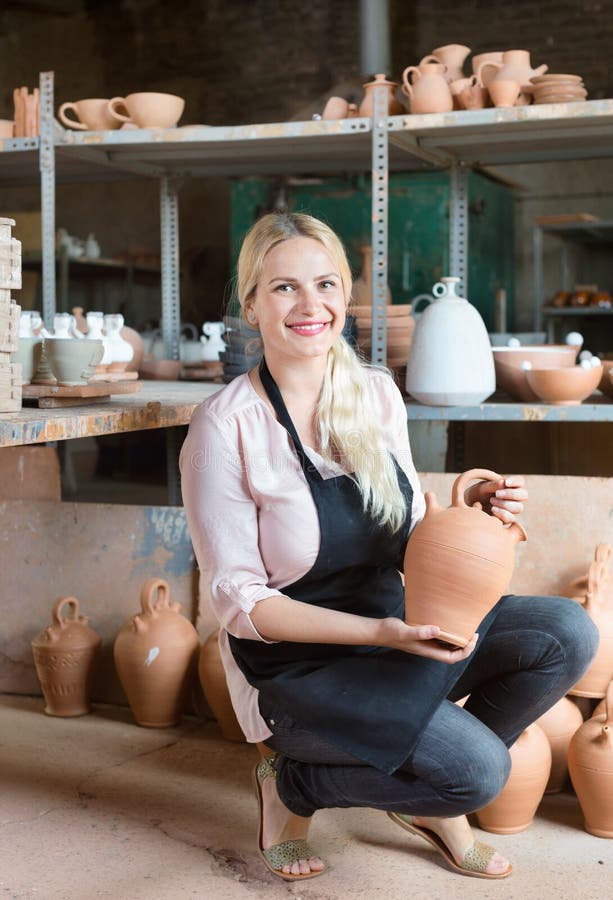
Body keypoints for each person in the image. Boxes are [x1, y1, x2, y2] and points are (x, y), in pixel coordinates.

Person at [180, 212, 598, 882]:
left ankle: (428, 792)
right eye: (284, 288)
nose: (310, 304)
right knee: (478, 772)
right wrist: (380, 633)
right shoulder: (225, 426)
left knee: (564, 632)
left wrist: (473, 515)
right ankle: (296, 786)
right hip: (300, 671)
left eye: (325, 284)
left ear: (344, 298)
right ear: (251, 305)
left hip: (396, 630)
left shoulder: (374, 393)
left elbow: (406, 535)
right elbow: (237, 604)